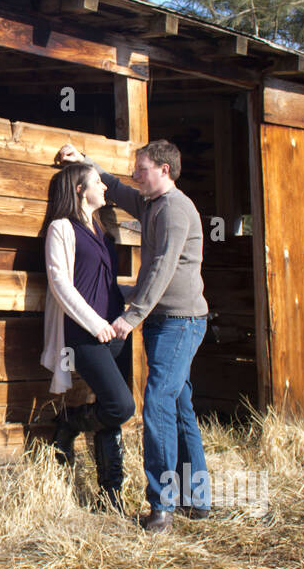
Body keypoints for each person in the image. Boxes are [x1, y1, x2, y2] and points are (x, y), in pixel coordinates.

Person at [58, 139, 210, 534]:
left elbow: (161, 267)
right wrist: (83, 161)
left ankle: (161, 506)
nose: (134, 175)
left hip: (180, 321)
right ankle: (198, 498)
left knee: (158, 402)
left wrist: (131, 315)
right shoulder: (152, 204)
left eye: (141, 169)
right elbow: (118, 189)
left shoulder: (175, 210)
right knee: (179, 406)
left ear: (164, 170)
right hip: (165, 320)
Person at [41, 161, 136, 512]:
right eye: (99, 182)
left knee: (112, 410)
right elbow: (60, 283)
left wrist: (137, 300)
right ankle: (69, 422)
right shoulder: (61, 228)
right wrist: (95, 324)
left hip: (116, 331)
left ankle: (111, 497)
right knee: (120, 406)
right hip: (85, 334)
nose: (106, 188)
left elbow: (107, 285)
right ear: (80, 189)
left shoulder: (100, 230)